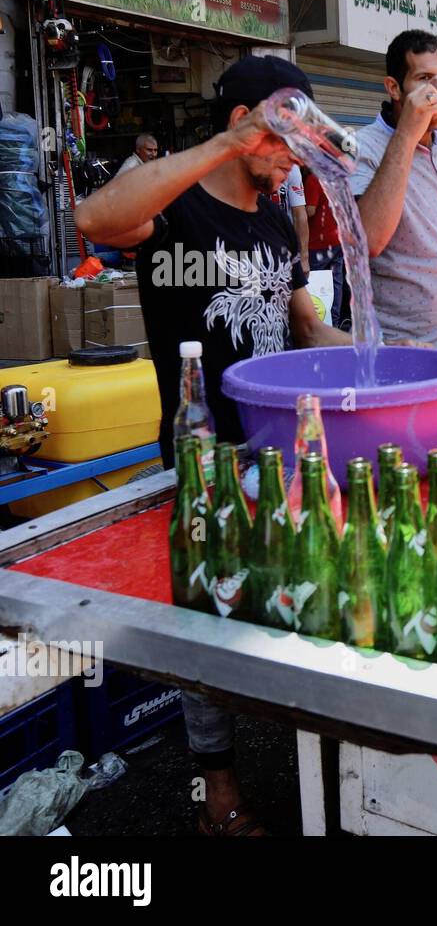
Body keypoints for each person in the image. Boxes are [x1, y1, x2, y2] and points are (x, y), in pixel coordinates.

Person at [73, 56, 352, 836]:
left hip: (284, 454)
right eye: (282, 133)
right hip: (207, 456)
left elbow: (303, 321)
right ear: (242, 124)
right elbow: (94, 220)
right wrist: (229, 146)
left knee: (298, 597)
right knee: (206, 620)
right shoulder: (178, 209)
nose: (293, 153)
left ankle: (322, 754)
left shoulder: (271, 214)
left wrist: (373, 357)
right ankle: (217, 789)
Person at [350, 29, 437, 356]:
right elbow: (367, 240)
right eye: (425, 78)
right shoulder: (361, 147)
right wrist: (407, 135)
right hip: (410, 351)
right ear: (394, 88)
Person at [304, 166, 350, 329]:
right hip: (336, 239)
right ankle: (334, 323)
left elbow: (309, 210)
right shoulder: (338, 178)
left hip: (317, 242)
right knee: (335, 282)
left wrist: (293, 208)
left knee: (314, 284)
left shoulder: (314, 179)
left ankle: (318, 326)